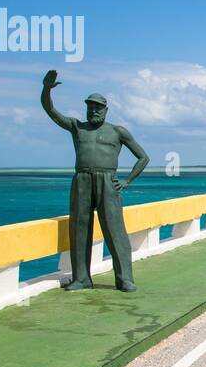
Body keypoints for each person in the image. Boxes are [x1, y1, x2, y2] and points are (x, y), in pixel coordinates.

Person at [41, 70, 149, 292]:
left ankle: (124, 278)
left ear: (106, 110)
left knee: (115, 230)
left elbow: (143, 157)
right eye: (90, 107)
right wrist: (46, 89)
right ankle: (81, 278)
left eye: (98, 108)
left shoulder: (117, 132)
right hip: (81, 180)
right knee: (79, 228)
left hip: (108, 181)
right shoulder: (77, 127)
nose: (93, 111)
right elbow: (50, 111)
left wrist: (127, 181)